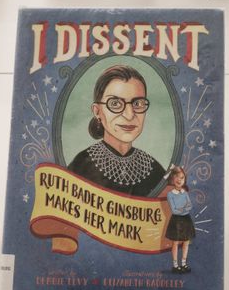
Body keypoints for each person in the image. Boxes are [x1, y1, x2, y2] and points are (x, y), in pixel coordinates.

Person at [68, 64, 167, 197]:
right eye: (115, 104)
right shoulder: (81, 166)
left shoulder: (155, 171)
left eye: (137, 104)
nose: (129, 115)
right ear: (97, 111)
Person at [164, 165, 195, 273]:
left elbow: (190, 206)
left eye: (182, 178)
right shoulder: (170, 194)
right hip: (176, 221)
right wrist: (184, 208)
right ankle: (175, 265)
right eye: (177, 177)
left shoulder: (185, 193)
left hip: (186, 220)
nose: (179, 180)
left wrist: (182, 209)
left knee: (186, 242)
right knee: (175, 243)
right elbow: (174, 210)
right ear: (172, 179)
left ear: (184, 179)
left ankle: (184, 263)